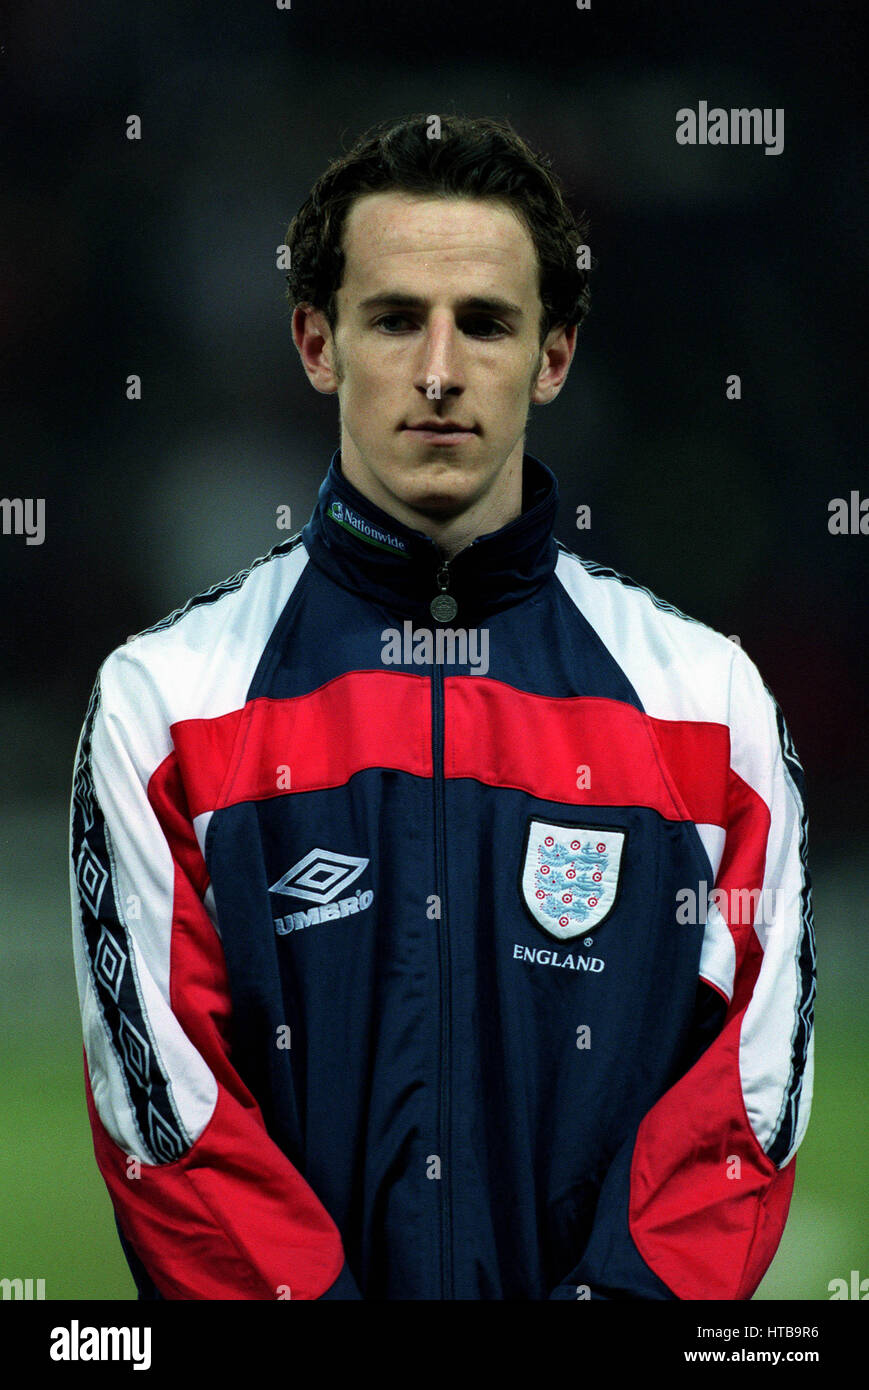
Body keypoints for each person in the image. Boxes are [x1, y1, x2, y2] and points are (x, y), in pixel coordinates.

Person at [69, 113, 815, 1300]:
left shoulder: (707, 700)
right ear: (315, 342)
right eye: (391, 318)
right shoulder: (164, 703)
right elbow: (169, 1118)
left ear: (553, 357)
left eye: (484, 322)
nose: (436, 369)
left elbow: (746, 1099)